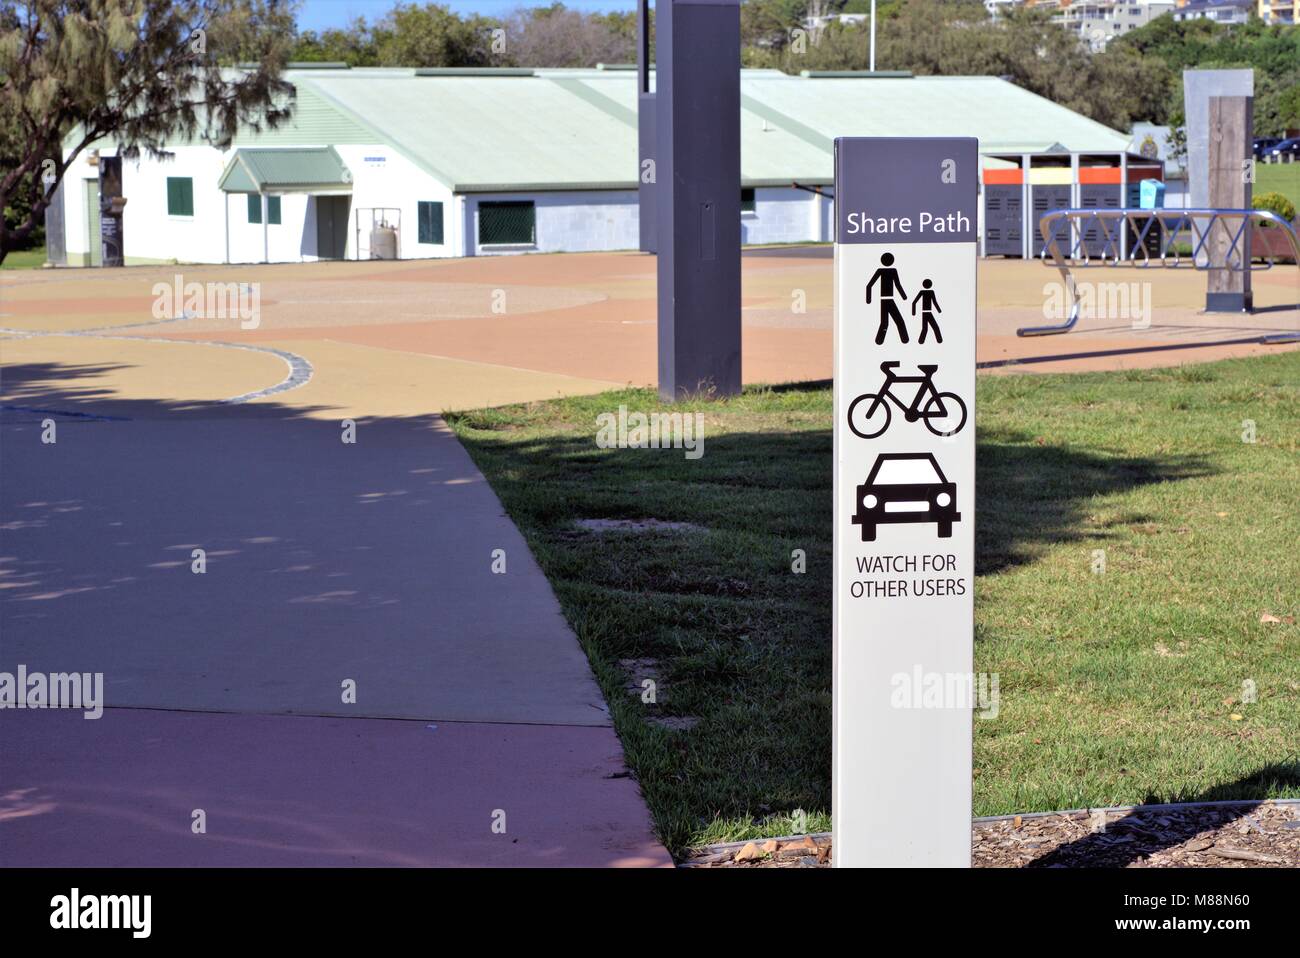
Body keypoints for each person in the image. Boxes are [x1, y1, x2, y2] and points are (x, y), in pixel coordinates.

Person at [865, 252, 908, 345]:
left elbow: (869, 285)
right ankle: (904, 339)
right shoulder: (892, 271)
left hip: (884, 300)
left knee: (885, 322)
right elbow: (897, 285)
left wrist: (869, 299)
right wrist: (904, 296)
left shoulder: (881, 271)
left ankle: (879, 341)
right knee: (899, 321)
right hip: (888, 300)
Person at [912, 279, 942, 344]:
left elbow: (914, 302)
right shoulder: (930, 292)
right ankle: (938, 340)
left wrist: (914, 312)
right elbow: (934, 302)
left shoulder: (923, 292)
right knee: (935, 327)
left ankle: (921, 341)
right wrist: (939, 310)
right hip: (927, 313)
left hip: (925, 313)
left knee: (925, 329)